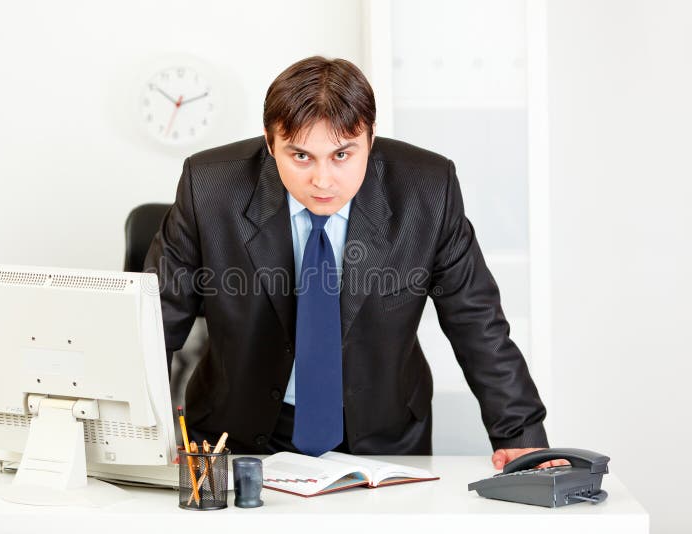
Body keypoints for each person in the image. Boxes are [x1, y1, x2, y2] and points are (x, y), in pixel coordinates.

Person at [145, 56, 554, 469]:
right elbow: (155, 321)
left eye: (341, 155)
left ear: (370, 139)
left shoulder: (429, 190)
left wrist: (521, 436)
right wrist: (143, 438)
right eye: (301, 156)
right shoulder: (208, 187)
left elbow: (477, 322)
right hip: (233, 436)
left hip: (383, 434)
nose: (322, 180)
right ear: (270, 143)